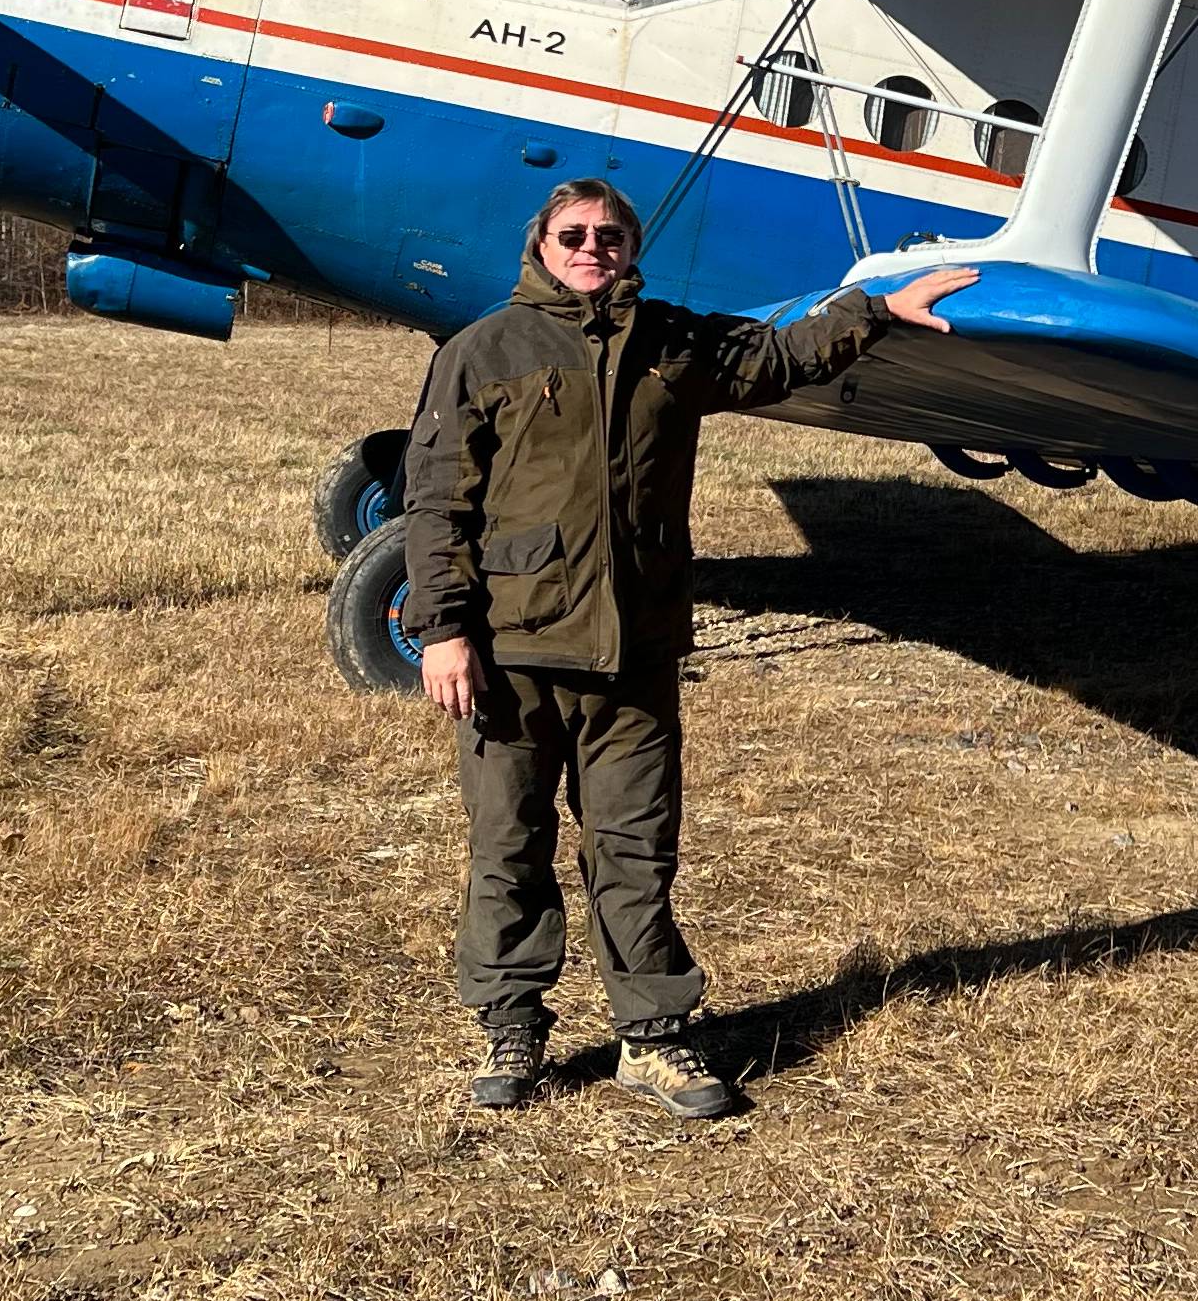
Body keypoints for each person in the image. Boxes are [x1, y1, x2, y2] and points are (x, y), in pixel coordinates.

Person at [407, 179, 977, 1114]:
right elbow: (438, 503)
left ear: (631, 245)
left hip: (636, 649)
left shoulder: (674, 342)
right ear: (541, 246)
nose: (592, 248)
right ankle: (512, 1022)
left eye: (610, 235)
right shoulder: (484, 351)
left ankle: (653, 1036)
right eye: (573, 235)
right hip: (513, 652)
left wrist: (879, 310)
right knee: (509, 846)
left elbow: (783, 357)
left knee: (636, 848)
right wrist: (446, 632)